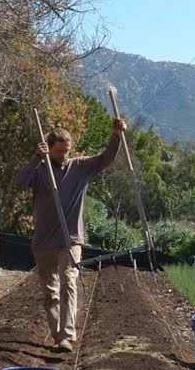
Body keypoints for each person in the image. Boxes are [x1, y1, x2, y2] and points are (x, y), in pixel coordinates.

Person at [12, 119, 125, 352]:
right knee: (50, 293)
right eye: (60, 151)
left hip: (70, 239)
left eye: (67, 150)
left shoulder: (80, 167)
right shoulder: (40, 171)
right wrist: (36, 157)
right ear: (49, 148)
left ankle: (66, 336)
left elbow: (106, 158)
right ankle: (57, 335)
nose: (64, 155)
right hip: (43, 242)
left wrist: (116, 135)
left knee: (69, 281)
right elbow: (18, 184)